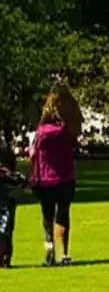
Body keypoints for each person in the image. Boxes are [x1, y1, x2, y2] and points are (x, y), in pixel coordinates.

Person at [30, 85, 81, 267]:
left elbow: (33, 155)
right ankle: (65, 253)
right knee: (63, 215)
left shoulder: (40, 133)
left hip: (44, 181)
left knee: (47, 218)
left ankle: (49, 253)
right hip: (65, 179)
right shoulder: (66, 133)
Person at [0, 142, 27, 269]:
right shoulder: (10, 175)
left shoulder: (8, 175)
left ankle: (4, 257)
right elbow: (22, 182)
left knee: (6, 230)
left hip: (7, 202)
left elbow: (22, 182)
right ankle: (5, 257)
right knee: (7, 230)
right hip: (8, 202)